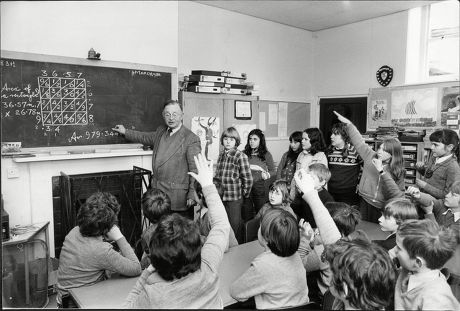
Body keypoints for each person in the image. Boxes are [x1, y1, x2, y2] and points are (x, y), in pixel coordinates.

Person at [124, 154, 231, 309]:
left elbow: (127, 306)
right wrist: (208, 184)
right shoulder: (208, 268)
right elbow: (221, 225)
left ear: (157, 259)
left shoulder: (154, 295)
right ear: (196, 248)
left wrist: (146, 274)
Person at [112, 100, 201, 219]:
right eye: (167, 114)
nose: (171, 118)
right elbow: (144, 137)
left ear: (181, 115)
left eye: (175, 114)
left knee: (179, 233)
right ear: (163, 115)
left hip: (178, 199)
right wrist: (125, 132)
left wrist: (192, 194)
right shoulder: (161, 131)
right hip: (158, 196)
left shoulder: (191, 138)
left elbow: (195, 170)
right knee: (161, 232)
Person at [56, 192, 141, 308]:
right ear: (108, 225)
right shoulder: (101, 250)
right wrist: (119, 237)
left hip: (63, 300)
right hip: (78, 304)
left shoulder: (73, 231)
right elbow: (136, 268)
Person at [334, 110, 405, 223]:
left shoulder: (398, 170)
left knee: (377, 234)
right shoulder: (370, 156)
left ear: (393, 153)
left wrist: (381, 171)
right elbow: (359, 142)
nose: (379, 151)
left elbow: (399, 195)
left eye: (384, 150)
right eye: (380, 148)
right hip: (364, 203)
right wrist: (349, 124)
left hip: (383, 207)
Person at [230, 208, 310, 309]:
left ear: (266, 237)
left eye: (260, 227)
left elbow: (236, 292)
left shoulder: (262, 265)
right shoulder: (296, 255)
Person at [298, 202, 364, 304]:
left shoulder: (322, 250)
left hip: (325, 299)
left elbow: (298, 265)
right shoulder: (350, 241)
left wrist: (305, 240)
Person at [392, 219, 459, 310]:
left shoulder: (435, 299)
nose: (394, 250)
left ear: (418, 262)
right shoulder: (409, 267)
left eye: (399, 248)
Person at [323, 238, 396, 310]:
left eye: (333, 272)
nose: (330, 275)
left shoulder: (330, 299)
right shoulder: (376, 301)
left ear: (345, 288)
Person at [215, 127, 253, 242]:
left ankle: (237, 248)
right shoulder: (221, 155)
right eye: (225, 139)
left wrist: (243, 195)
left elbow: (248, 179)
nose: (228, 141)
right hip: (221, 197)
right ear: (222, 140)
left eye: (231, 139)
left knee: (235, 226)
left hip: (234, 198)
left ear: (236, 141)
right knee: (223, 225)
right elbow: (217, 176)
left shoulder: (240, 156)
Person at [193, 177, 239, 249]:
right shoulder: (199, 210)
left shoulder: (213, 215)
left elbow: (223, 246)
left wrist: (198, 238)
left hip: (227, 254)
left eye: (194, 191)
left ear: (200, 195)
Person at [415, 129, 460, 199]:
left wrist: (425, 186)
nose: (431, 147)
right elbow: (430, 175)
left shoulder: (453, 167)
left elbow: (448, 195)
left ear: (450, 147)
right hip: (424, 200)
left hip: (436, 207)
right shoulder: (434, 157)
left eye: (435, 145)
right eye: (432, 144)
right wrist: (421, 169)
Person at [326, 123, 362, 206]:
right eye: (332, 134)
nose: (331, 136)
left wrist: (359, 184)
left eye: (335, 134)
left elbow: (364, 168)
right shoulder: (329, 151)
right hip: (331, 191)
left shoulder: (355, 150)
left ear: (344, 136)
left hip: (348, 193)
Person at [243, 129, 276, 216]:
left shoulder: (266, 154)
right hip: (246, 185)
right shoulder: (244, 153)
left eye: (255, 139)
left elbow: (273, 171)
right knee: (246, 212)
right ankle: (248, 228)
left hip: (259, 186)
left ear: (260, 141)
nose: (252, 141)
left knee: (260, 211)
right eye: (250, 139)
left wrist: (265, 175)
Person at [292, 163, 334, 227]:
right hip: (302, 226)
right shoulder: (305, 191)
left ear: (322, 182)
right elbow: (297, 209)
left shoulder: (327, 199)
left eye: (312, 177)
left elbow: (327, 221)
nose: (308, 179)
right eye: (308, 176)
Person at [139, 188, 171, 269]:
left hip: (161, 270)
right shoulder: (180, 224)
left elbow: (150, 257)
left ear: (144, 213)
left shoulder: (146, 234)